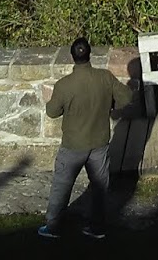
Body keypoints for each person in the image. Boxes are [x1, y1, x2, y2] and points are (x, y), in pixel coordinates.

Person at [39, 37, 132, 240]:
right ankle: (96, 227)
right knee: (99, 187)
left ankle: (53, 226)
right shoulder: (105, 78)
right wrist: (110, 106)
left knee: (62, 187)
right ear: (89, 54)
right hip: (99, 143)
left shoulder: (65, 85)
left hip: (73, 145)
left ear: (73, 57)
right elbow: (126, 97)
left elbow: (52, 112)